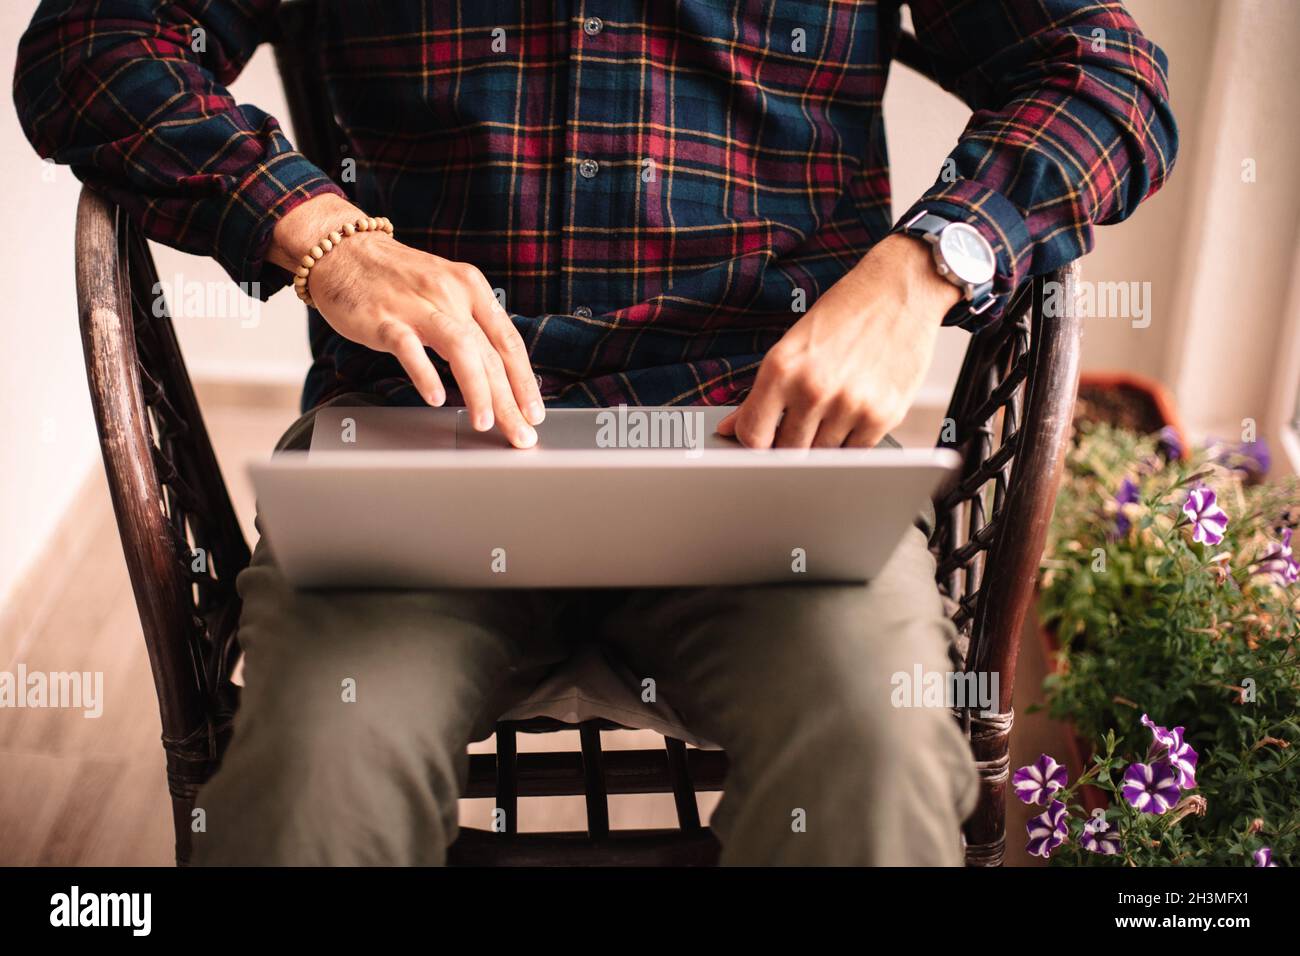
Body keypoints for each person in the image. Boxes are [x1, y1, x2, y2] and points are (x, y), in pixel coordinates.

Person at [14, 0, 1176, 865]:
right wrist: (319, 231)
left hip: (765, 473)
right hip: (424, 474)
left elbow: (1109, 73)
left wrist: (928, 260)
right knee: (313, 780)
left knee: (870, 753)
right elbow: (89, 47)